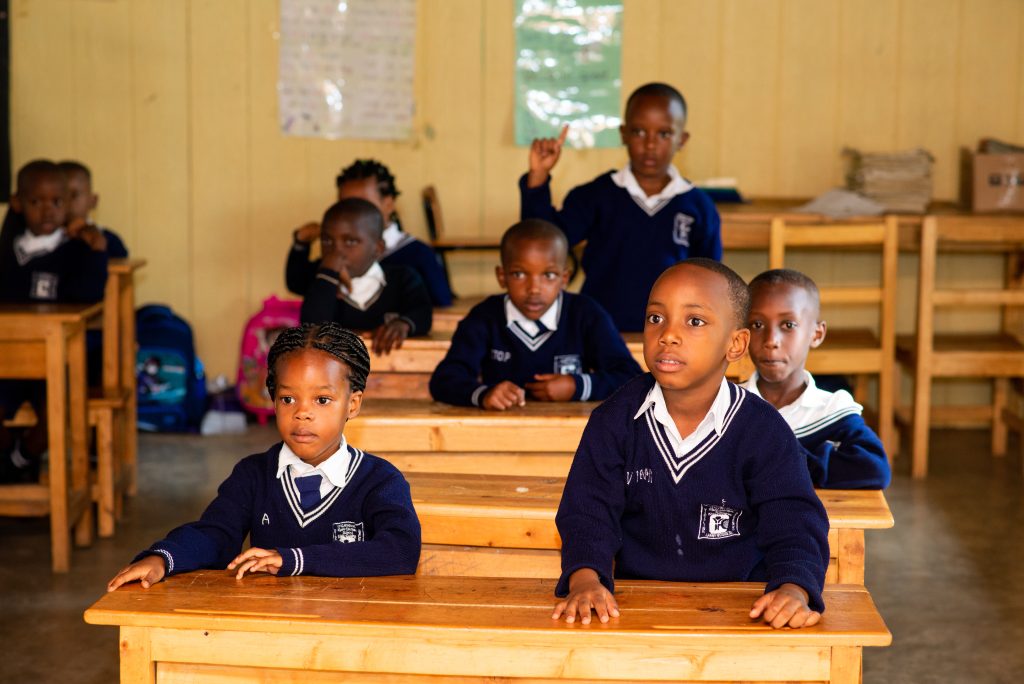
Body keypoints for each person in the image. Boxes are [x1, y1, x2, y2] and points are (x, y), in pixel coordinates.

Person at [552, 259, 829, 629]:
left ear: (736, 344)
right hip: (632, 606)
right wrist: (586, 580)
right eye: (656, 318)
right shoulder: (614, 420)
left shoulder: (763, 430)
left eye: (694, 321)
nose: (668, 334)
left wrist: (794, 589)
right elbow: (587, 513)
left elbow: (795, 521)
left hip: (741, 607)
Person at [106, 322, 421, 590]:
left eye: (322, 400)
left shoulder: (379, 480)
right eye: (288, 398)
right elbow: (216, 534)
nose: (302, 413)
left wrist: (293, 559)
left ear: (352, 404)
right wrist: (163, 558)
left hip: (351, 637)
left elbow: (400, 550)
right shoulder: (253, 474)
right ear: (273, 400)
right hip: (270, 629)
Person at [520, 83, 722, 332]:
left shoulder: (699, 207)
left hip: (671, 337)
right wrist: (538, 177)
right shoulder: (596, 195)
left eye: (663, 134)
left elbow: (712, 282)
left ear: (682, 139)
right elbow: (541, 243)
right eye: (639, 132)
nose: (650, 144)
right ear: (623, 134)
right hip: (598, 331)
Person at [429, 220, 640, 409]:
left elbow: (631, 376)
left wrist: (578, 386)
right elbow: (444, 380)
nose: (534, 288)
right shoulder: (485, 317)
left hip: (573, 436)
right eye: (519, 274)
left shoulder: (585, 313)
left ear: (564, 278)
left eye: (548, 275)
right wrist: (483, 394)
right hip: (501, 434)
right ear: (501, 276)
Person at [0, 159, 109, 482]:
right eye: (36, 202)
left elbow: (89, 293)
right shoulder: (8, 252)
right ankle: (9, 456)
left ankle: (22, 457)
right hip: (9, 361)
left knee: (58, 409)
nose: (47, 211)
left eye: (57, 202)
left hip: (56, 363)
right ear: (18, 204)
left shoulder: (74, 251)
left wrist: (97, 250)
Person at [742, 269, 891, 489]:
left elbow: (875, 469)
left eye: (788, 325)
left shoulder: (831, 410)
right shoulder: (728, 404)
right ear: (742, 333)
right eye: (757, 325)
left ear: (816, 334)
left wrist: (780, 460)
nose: (771, 340)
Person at [287, 159, 453, 306]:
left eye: (363, 204)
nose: (353, 213)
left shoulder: (417, 254)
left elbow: (441, 302)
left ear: (388, 204)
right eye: (345, 205)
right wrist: (300, 244)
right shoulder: (338, 251)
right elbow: (298, 284)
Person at [299, 198, 432, 355]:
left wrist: (403, 324)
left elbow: (423, 313)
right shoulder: (322, 285)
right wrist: (328, 274)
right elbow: (311, 328)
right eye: (327, 240)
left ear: (378, 248)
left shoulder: (402, 278)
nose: (336, 252)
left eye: (350, 241)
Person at [57, 160, 129, 258]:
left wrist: (94, 239)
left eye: (74, 195)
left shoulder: (109, 240)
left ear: (93, 201)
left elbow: (120, 265)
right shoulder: (42, 239)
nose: (66, 203)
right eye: (58, 198)